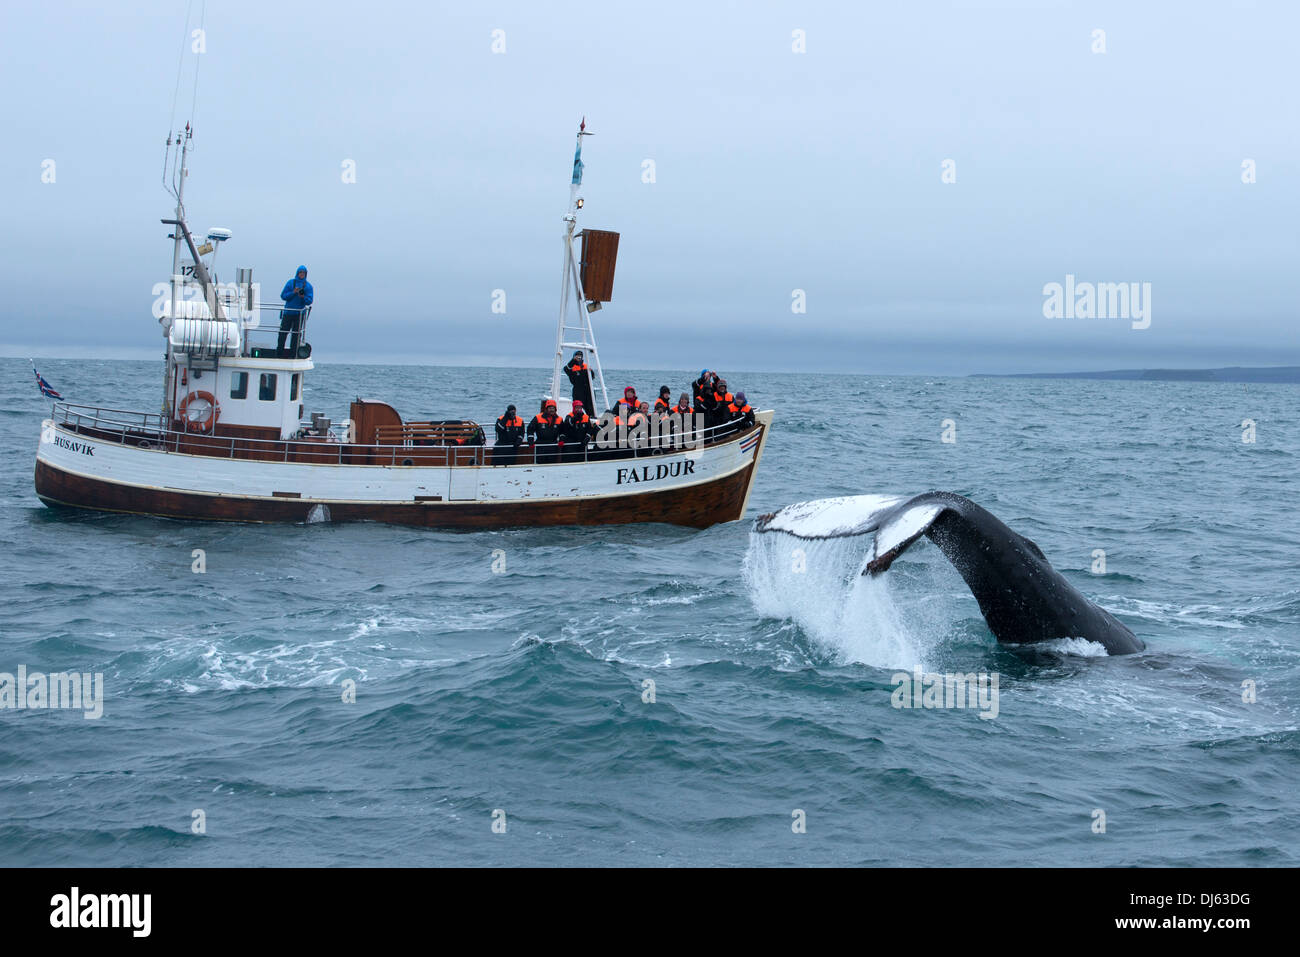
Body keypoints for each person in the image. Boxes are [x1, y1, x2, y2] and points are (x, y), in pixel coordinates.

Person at [277, 265, 314, 357]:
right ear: (297, 273)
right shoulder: (290, 283)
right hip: (288, 312)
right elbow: (283, 296)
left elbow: (309, 301)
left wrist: (303, 297)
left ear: (306, 274)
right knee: (282, 334)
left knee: (296, 336)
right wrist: (293, 292)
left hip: (299, 314)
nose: (302, 274)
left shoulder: (308, 286)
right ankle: (279, 354)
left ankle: (293, 355)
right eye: (300, 272)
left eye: (303, 273)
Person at [528, 398, 564, 463]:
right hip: (540, 445)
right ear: (546, 409)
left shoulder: (559, 419)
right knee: (540, 464)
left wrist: (561, 440)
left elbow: (563, 432)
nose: (551, 410)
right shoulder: (538, 417)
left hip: (553, 445)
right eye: (550, 408)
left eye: (553, 408)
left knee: (552, 465)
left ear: (555, 409)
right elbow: (530, 429)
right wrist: (530, 440)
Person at [564, 351, 595, 417]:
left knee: (590, 407)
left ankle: (590, 419)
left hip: (588, 390)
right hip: (578, 390)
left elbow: (592, 377)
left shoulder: (586, 366)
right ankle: (577, 419)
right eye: (577, 355)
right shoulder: (571, 367)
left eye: (580, 355)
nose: (579, 357)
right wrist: (573, 361)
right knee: (577, 406)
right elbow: (566, 369)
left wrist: (591, 371)